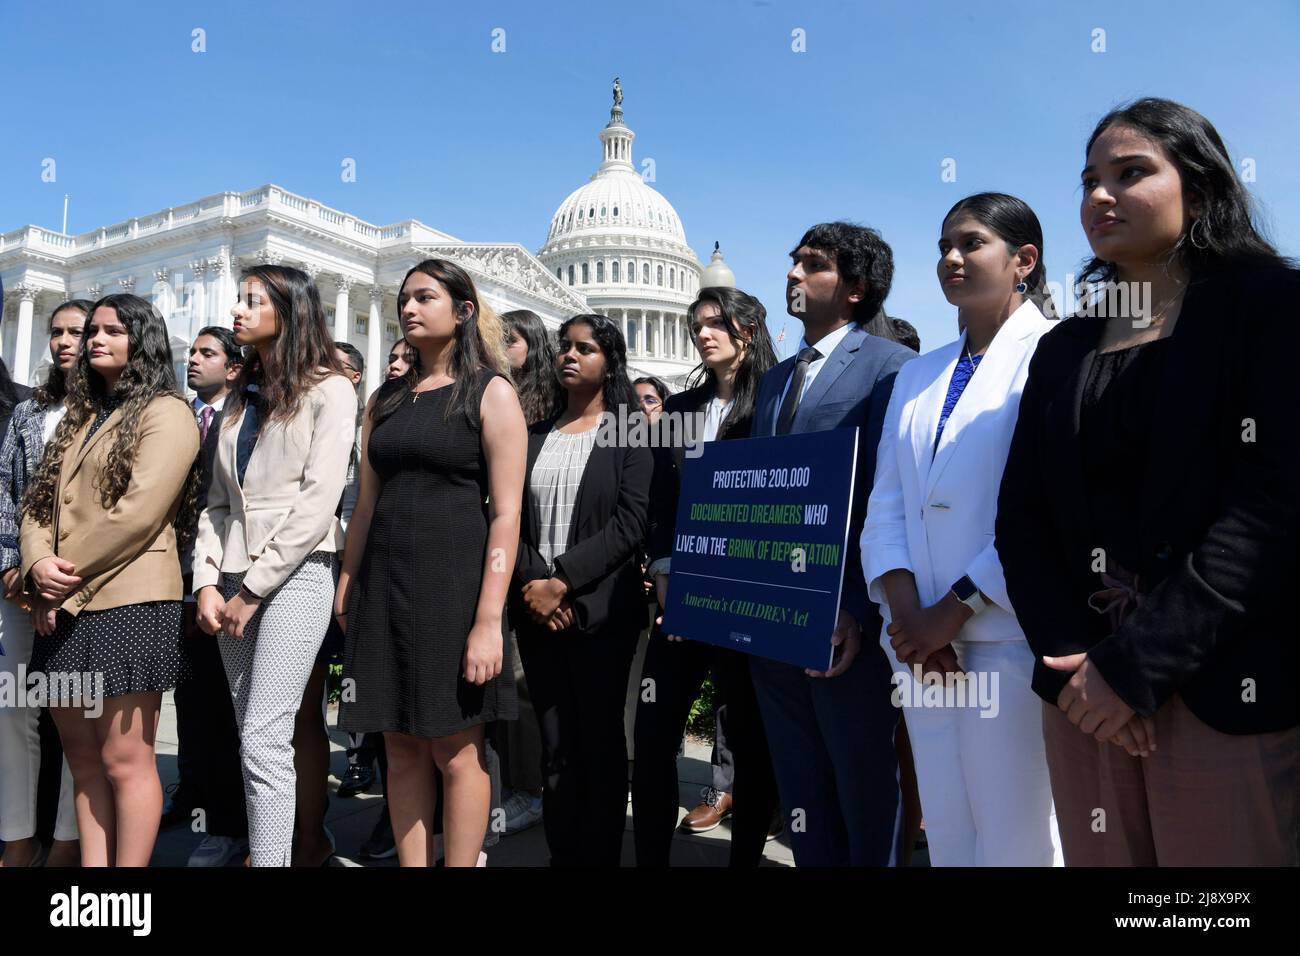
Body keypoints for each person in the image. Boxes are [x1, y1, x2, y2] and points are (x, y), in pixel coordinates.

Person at [997, 97, 1300, 866]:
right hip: (1078, 694)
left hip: (1220, 684)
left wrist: (1135, 668)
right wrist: (1074, 660)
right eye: (1089, 180)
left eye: (1130, 173)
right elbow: (1022, 516)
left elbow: (1271, 511)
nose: (1099, 196)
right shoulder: (1063, 347)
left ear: (1197, 189)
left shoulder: (1270, 309)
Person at [861, 192, 1061, 866]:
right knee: (948, 834)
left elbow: (1046, 509)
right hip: (920, 649)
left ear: (1023, 260)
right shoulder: (917, 373)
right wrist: (910, 617)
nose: (951, 257)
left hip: (1009, 639)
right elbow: (886, 503)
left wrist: (953, 611)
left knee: (1020, 839)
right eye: (945, 245)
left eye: (971, 243)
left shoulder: (1058, 353)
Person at [337, 258, 525, 867]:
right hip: (382, 587)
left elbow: (506, 514)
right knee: (398, 743)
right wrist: (347, 583)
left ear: (463, 310)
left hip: (454, 589)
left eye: (425, 297)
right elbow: (364, 505)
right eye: (404, 300)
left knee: (455, 749)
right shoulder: (384, 401)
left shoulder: (491, 392)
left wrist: (488, 618)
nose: (409, 309)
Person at [749, 222, 914, 866]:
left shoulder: (890, 368)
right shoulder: (773, 382)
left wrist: (855, 608)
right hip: (774, 619)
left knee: (863, 784)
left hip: (846, 623)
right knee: (803, 787)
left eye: (812, 264)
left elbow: (886, 500)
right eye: (793, 261)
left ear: (855, 288)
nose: (792, 273)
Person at [21, 293, 201, 867]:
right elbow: (36, 505)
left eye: (112, 331)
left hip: (130, 602)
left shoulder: (167, 411)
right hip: (61, 603)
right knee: (84, 759)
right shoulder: (79, 415)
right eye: (92, 330)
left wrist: (58, 579)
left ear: (141, 340)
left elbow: (141, 513)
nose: (95, 339)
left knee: (126, 758)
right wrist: (34, 568)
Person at [192, 265, 356, 867]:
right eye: (238, 298)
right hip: (231, 579)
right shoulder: (241, 395)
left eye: (251, 300)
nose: (237, 309)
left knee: (265, 737)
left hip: (294, 576)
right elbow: (215, 501)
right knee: (251, 736)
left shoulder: (331, 388)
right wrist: (207, 582)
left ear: (288, 311)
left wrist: (252, 591)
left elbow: (318, 503)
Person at [634, 286, 781, 866]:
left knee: (749, 736)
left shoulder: (777, 400)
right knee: (652, 734)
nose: (703, 333)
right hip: (682, 596)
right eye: (698, 324)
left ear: (748, 328)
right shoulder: (678, 410)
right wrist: (663, 568)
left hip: (749, 596)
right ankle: (650, 857)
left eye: (717, 322)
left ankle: (745, 857)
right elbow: (657, 500)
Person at [513, 313, 652, 866]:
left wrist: (563, 582)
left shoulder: (632, 431)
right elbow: (509, 518)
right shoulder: (533, 433)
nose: (570, 356)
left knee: (597, 742)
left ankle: (598, 855)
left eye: (585, 348)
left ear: (609, 361)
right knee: (553, 746)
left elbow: (631, 521)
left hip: (598, 612)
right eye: (565, 347)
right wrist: (535, 586)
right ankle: (562, 853)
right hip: (536, 611)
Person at [0, 300, 85, 868]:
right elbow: (6, 488)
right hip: (16, 583)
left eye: (76, 332)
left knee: (77, 711)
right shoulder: (30, 411)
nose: (63, 341)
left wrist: (59, 578)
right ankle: (16, 837)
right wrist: (12, 564)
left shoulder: (118, 409)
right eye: (55, 332)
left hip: (82, 583)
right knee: (11, 708)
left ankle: (66, 840)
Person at [174, 326, 250, 867]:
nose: (193, 361)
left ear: (234, 367)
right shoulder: (178, 417)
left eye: (207, 353)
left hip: (227, 577)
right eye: (191, 353)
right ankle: (193, 796)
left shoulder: (245, 417)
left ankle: (232, 824)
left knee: (230, 708)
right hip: (175, 577)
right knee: (191, 702)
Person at [495, 309, 556, 835]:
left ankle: (531, 788)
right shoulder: (491, 393)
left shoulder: (547, 405)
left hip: (531, 557)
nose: (499, 349)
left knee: (523, 681)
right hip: (492, 552)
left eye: (507, 341)